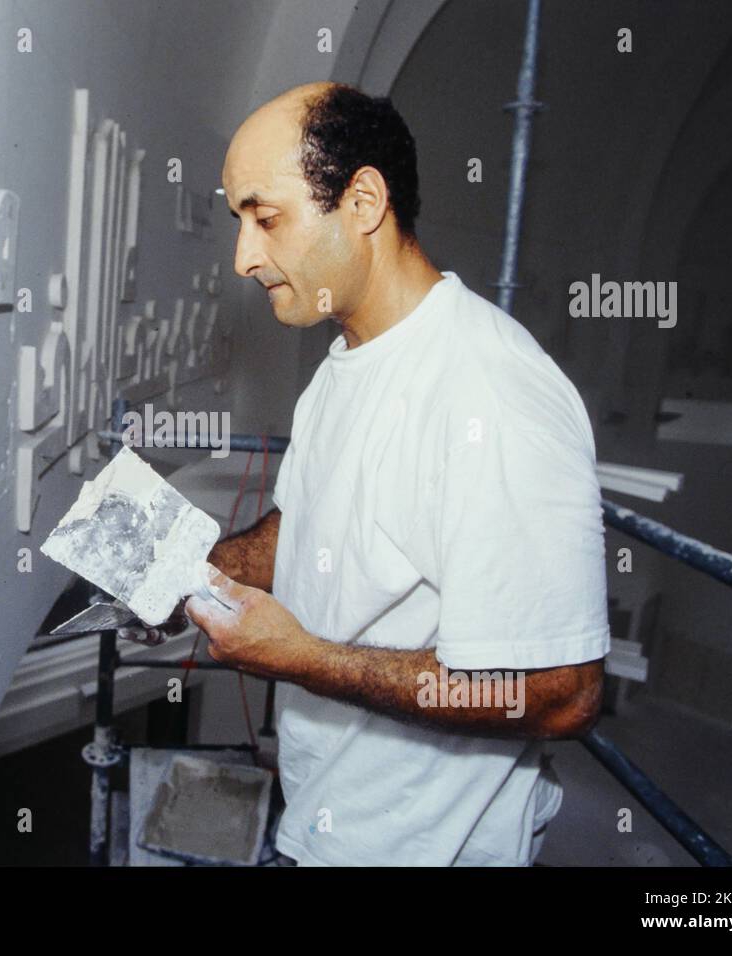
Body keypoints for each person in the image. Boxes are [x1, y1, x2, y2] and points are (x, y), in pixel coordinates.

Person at [173, 81, 609, 866]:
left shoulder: (492, 392)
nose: (244, 257)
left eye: (265, 218)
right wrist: (194, 574)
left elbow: (561, 691)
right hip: (327, 821)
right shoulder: (346, 362)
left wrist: (301, 658)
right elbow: (308, 522)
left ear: (364, 200)